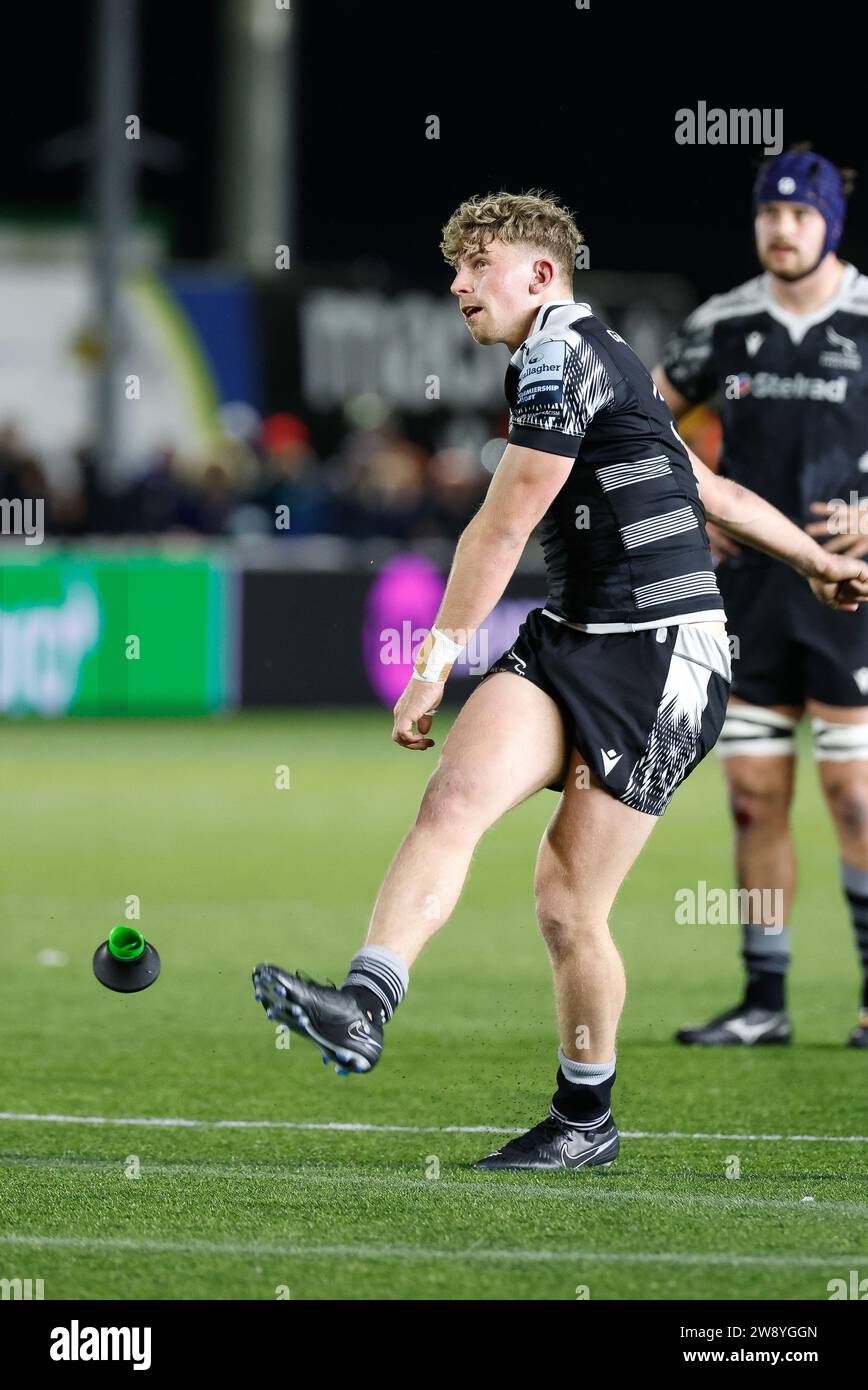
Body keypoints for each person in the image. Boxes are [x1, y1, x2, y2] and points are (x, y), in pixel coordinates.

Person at [253, 191, 868, 1171]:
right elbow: (709, 488)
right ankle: (365, 1003)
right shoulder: (601, 360)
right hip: (572, 633)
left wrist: (430, 668)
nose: (457, 285)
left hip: (665, 657)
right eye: (455, 268)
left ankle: (585, 1117)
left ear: (540, 275)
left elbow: (499, 526)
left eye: (476, 265)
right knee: (454, 793)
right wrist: (812, 558)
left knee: (565, 902)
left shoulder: (562, 354)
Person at [654, 149, 868, 1049]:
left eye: (801, 215)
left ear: (830, 223)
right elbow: (643, 416)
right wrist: (687, 499)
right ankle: (765, 999)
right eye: (768, 214)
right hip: (748, 594)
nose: (783, 229)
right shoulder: (723, 323)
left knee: (854, 797)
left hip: (851, 592)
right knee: (751, 795)